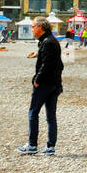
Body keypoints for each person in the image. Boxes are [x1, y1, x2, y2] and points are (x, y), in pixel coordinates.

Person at [19, 16, 63, 155]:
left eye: (33, 27)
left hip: (45, 83)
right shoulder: (51, 41)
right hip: (54, 83)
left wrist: (37, 79)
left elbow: (47, 64)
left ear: (40, 27)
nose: (32, 29)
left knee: (33, 112)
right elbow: (59, 65)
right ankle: (50, 146)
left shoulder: (47, 42)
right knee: (51, 115)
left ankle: (32, 145)